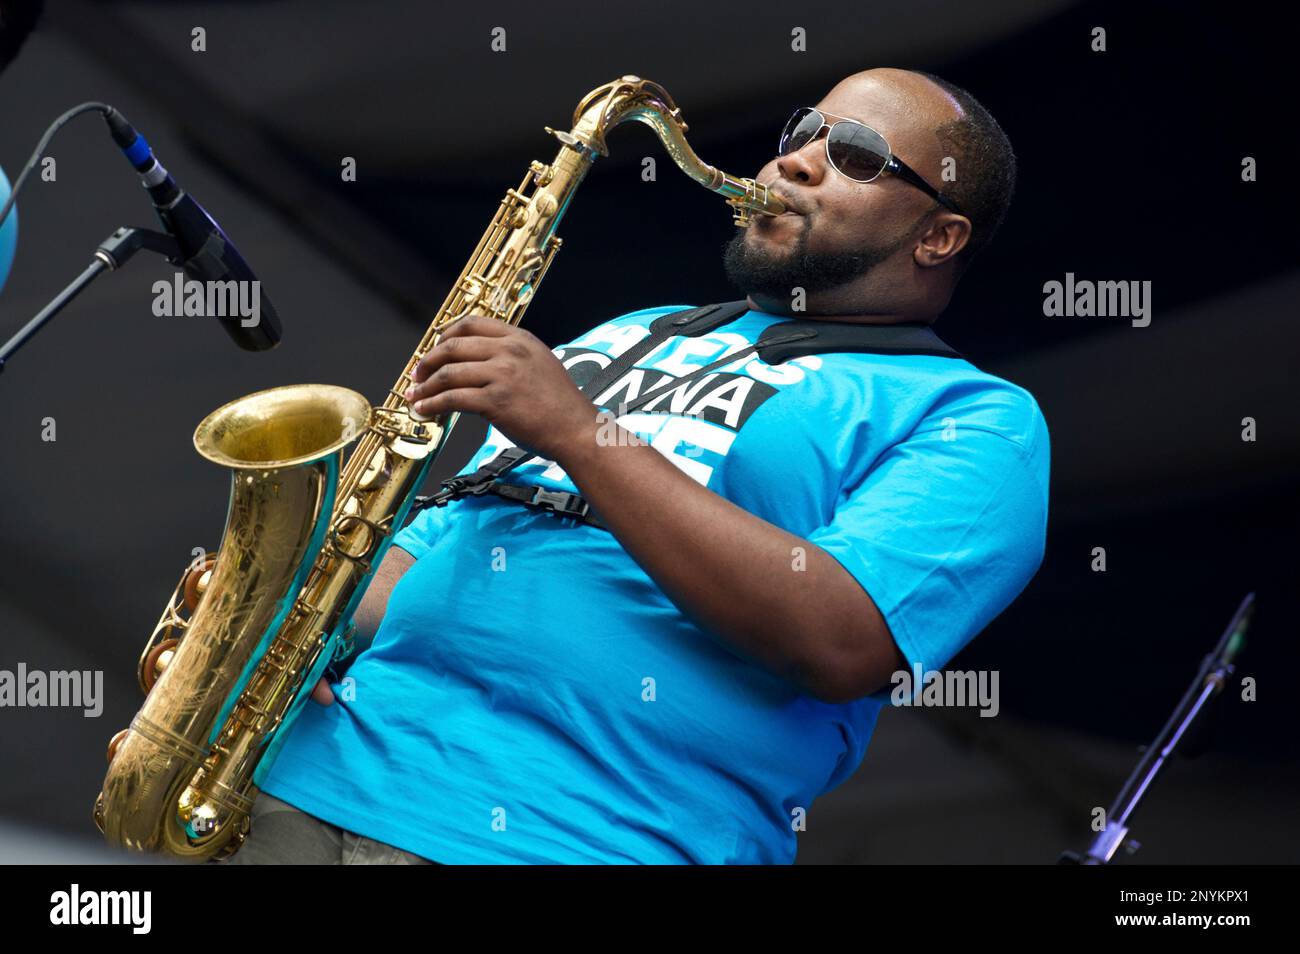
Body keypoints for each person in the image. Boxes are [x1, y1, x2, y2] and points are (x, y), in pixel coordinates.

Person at [225, 67, 1050, 865]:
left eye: (857, 156)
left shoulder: (974, 420)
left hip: (585, 833)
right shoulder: (641, 330)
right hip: (313, 779)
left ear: (939, 236)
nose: (793, 160)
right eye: (805, 132)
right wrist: (296, 617)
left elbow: (840, 641)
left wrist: (583, 435)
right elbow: (444, 541)